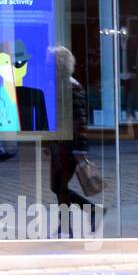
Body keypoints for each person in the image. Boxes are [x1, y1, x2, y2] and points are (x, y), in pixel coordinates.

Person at [48, 46, 97, 234]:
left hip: (68, 144)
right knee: (58, 186)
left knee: (59, 186)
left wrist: (80, 147)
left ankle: (89, 211)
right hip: (58, 143)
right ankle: (67, 224)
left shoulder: (71, 86)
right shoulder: (59, 84)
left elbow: (79, 119)